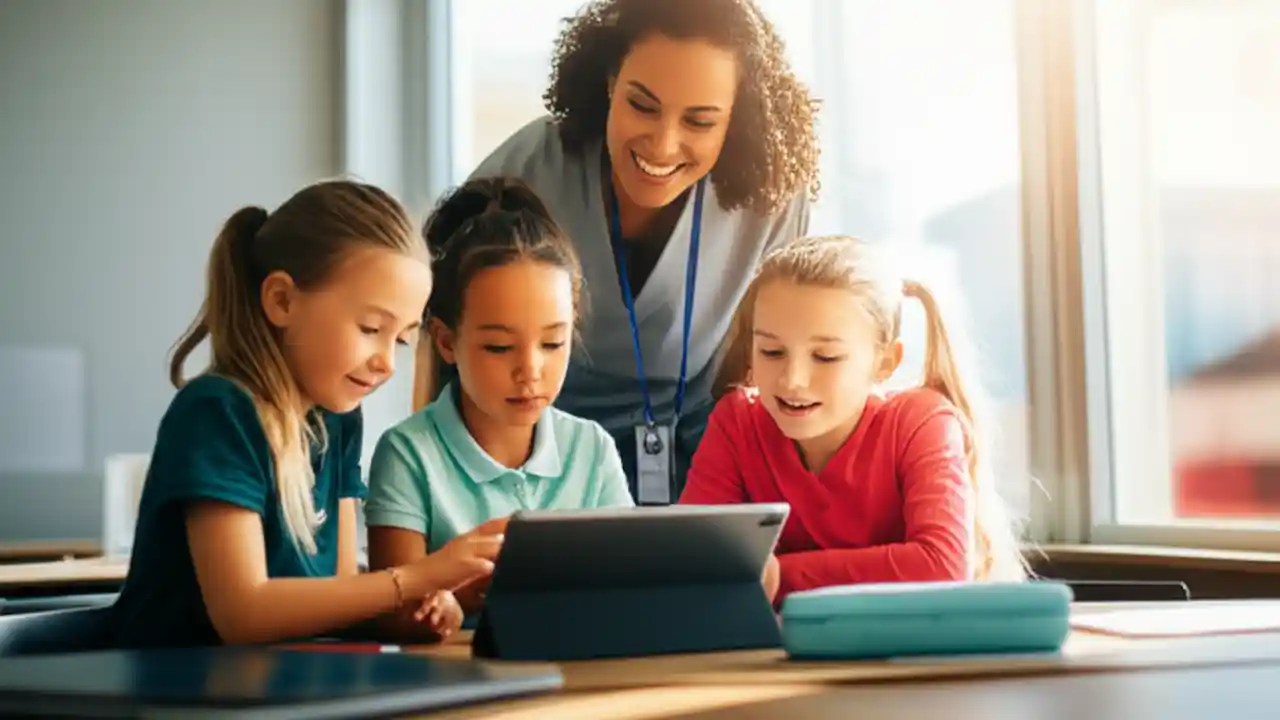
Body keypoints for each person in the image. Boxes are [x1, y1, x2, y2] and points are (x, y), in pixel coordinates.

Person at [422, 0, 821, 502]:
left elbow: (763, 365)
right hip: (542, 473)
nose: (662, 143)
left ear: (736, 121)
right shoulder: (522, 177)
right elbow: (441, 350)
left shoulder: (772, 194)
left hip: (707, 470)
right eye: (642, 106)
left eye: (699, 122)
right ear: (610, 79)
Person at [112, 180, 502, 648]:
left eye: (400, 338)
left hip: (281, 688)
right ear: (282, 301)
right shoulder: (216, 413)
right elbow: (243, 614)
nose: (387, 362)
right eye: (370, 328)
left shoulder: (337, 422)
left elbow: (330, 600)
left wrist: (415, 607)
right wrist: (415, 577)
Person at [680, 236, 1026, 606]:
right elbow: (692, 562)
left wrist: (780, 576)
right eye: (772, 352)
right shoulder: (736, 422)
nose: (793, 379)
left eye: (826, 357)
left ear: (886, 363)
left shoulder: (921, 423)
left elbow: (941, 566)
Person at [367, 178, 634, 621]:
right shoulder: (409, 455)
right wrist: (452, 597)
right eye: (498, 347)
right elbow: (393, 607)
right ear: (447, 342)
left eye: (552, 344)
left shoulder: (592, 449)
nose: (530, 370)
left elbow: (626, 584)